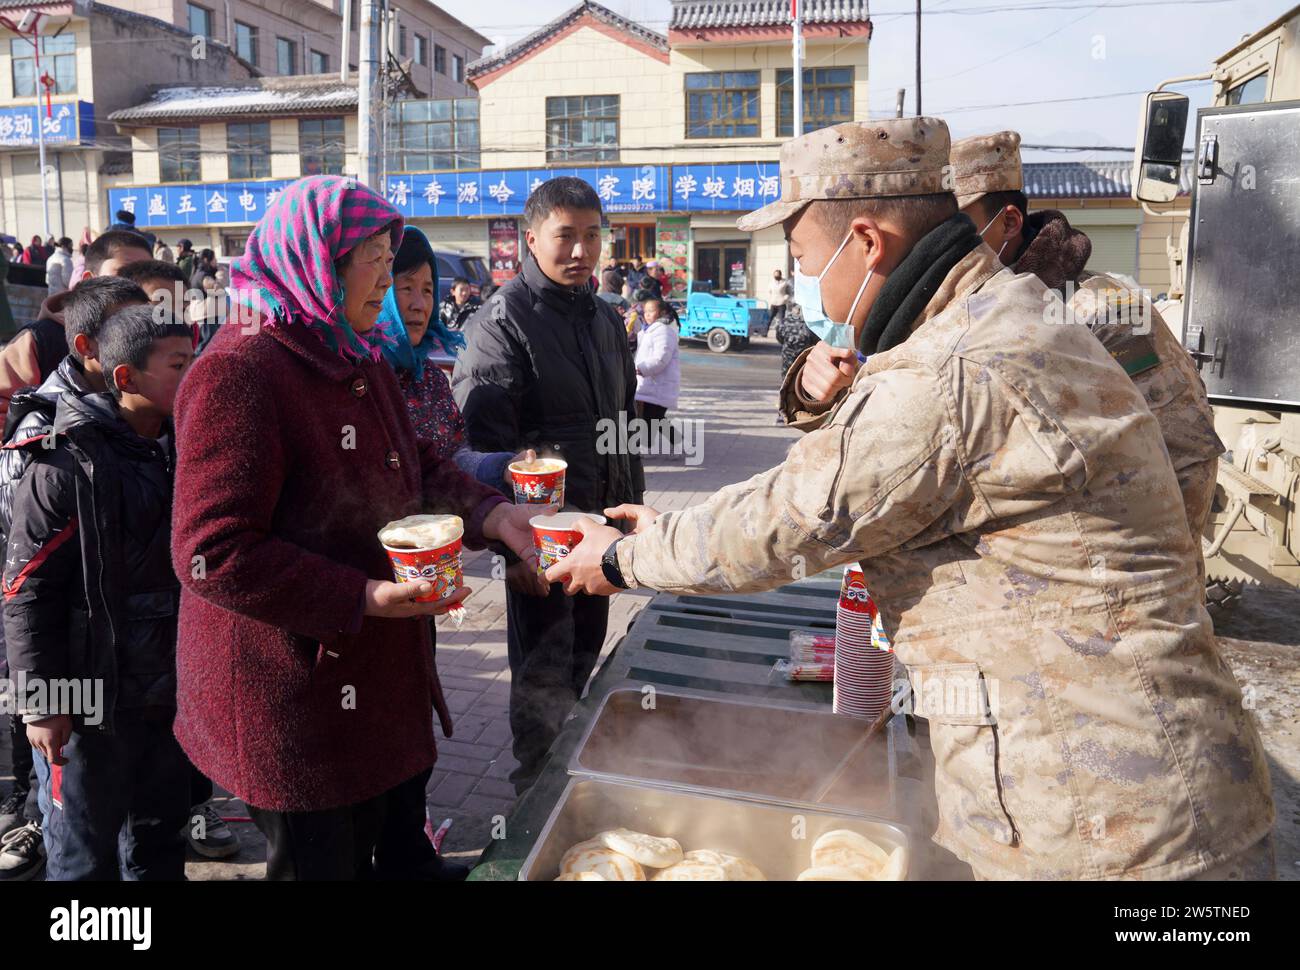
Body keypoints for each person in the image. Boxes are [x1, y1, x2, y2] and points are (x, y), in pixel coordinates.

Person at [545, 118, 1274, 882]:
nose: (805, 285)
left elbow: (796, 517)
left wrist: (626, 559)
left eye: (802, 259)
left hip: (1105, 822)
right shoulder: (1007, 313)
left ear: (866, 242)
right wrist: (674, 529)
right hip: (1151, 790)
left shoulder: (949, 365)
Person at [168, 175, 544, 881]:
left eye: (388, 256)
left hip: (380, 673)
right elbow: (211, 552)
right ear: (316, 259)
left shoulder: (352, 348)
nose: (387, 279)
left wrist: (494, 514)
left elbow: (419, 465)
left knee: (396, 846)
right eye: (371, 259)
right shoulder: (242, 369)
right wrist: (363, 598)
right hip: (293, 691)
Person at [452, 176, 645, 794]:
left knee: (585, 659)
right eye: (566, 236)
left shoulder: (605, 318)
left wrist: (625, 519)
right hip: (540, 545)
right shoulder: (501, 322)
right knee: (542, 678)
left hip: (600, 534)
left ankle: (573, 784)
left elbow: (622, 423)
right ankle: (532, 800)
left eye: (593, 236)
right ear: (531, 239)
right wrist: (516, 550)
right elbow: (485, 453)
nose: (581, 251)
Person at [948, 131, 1224, 555]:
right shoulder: (968, 308)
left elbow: (1184, 452)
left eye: (960, 229)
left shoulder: (1103, 312)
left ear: (1009, 222)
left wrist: (1146, 575)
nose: (946, 247)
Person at [4, 304, 195, 880]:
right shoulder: (67, 461)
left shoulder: (189, 450)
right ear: (124, 377)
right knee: (84, 855)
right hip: (89, 701)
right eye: (178, 366)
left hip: (173, 691)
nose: (193, 378)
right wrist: (41, 702)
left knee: (162, 845)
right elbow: (25, 589)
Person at [0, 229, 152, 423]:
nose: (137, 286)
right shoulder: (43, 340)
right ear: (89, 279)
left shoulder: (162, 340)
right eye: (124, 274)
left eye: (145, 275)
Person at [633, 297, 679, 452]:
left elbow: (661, 358)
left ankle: (642, 449)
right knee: (652, 418)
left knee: (653, 418)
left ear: (662, 312)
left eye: (651, 311)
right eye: (645, 311)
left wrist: (642, 369)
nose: (647, 314)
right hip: (649, 383)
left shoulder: (663, 331)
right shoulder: (648, 330)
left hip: (658, 383)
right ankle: (677, 443)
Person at [775, 299, 818, 379]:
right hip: (803, 355)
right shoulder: (808, 324)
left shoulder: (784, 322)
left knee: (787, 376)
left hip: (788, 354)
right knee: (801, 376)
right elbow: (815, 340)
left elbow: (779, 337)